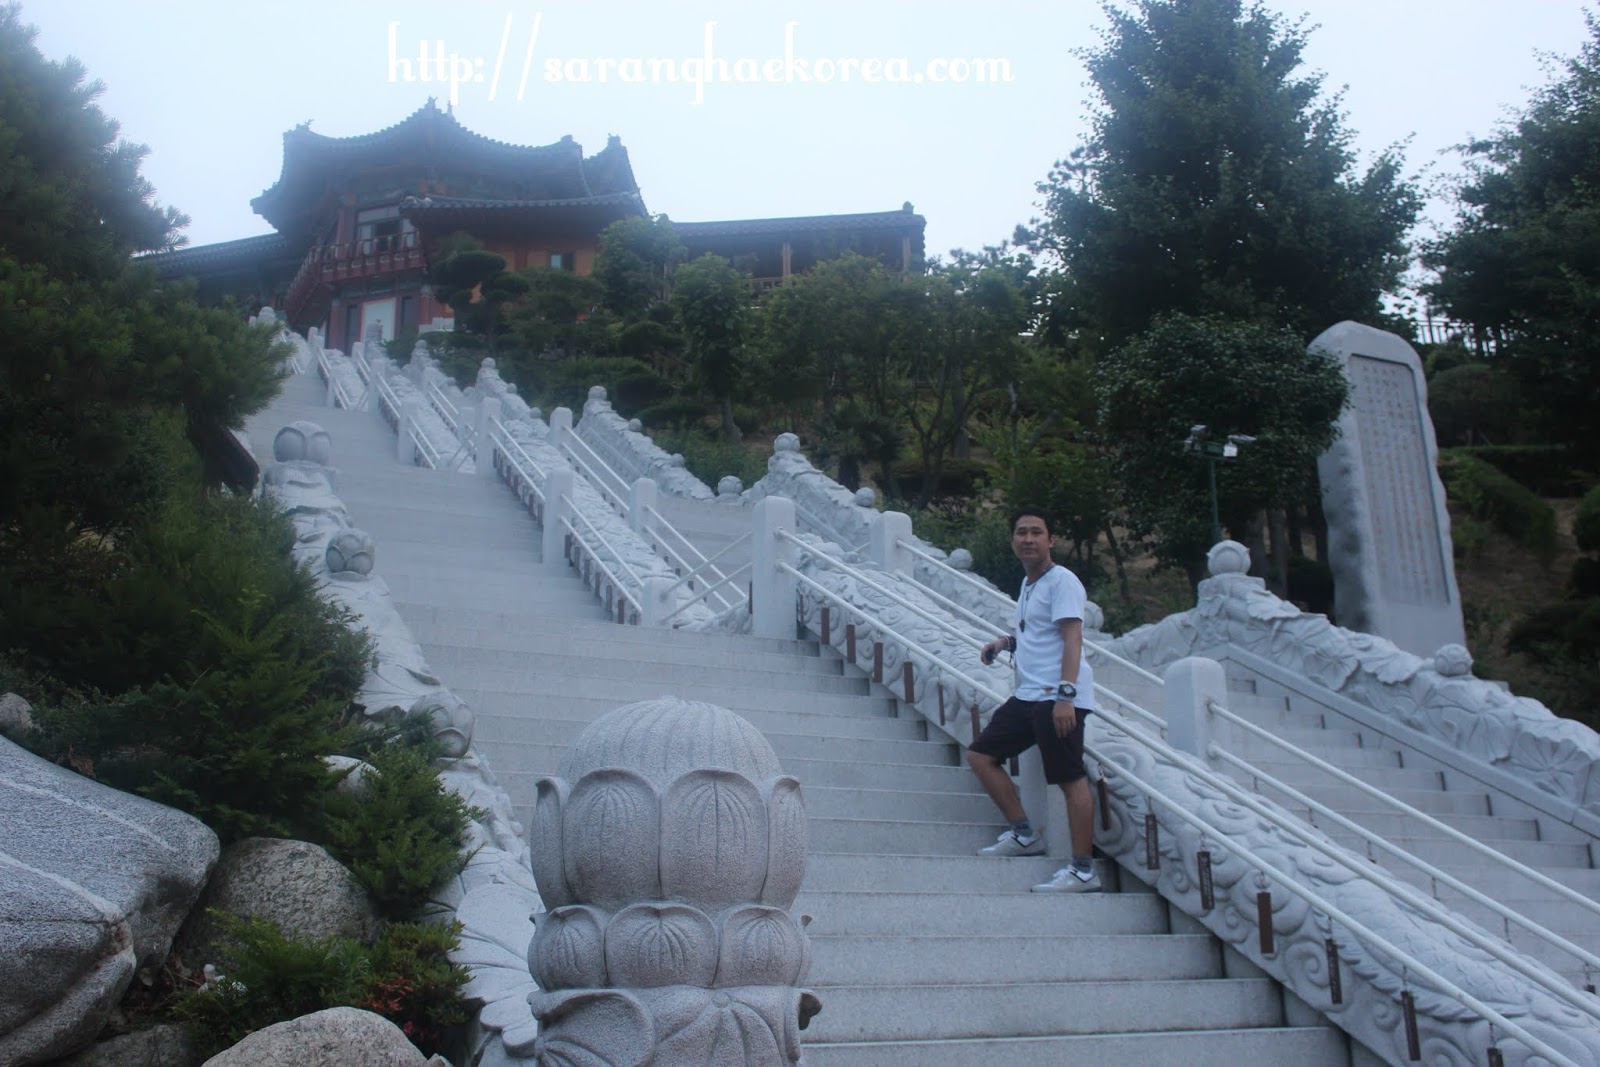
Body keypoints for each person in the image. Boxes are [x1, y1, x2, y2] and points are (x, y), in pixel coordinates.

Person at [968, 507, 1101, 893]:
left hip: (1056, 696)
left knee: (1070, 779)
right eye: (1021, 532)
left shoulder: (1063, 581)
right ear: (1013, 539)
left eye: (1036, 532)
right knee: (980, 755)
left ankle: (1083, 870)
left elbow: (1073, 638)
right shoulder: (1028, 584)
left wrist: (1066, 696)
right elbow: (1037, 632)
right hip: (1028, 695)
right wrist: (1004, 643)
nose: (1028, 539)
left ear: (1051, 540)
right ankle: (1024, 834)